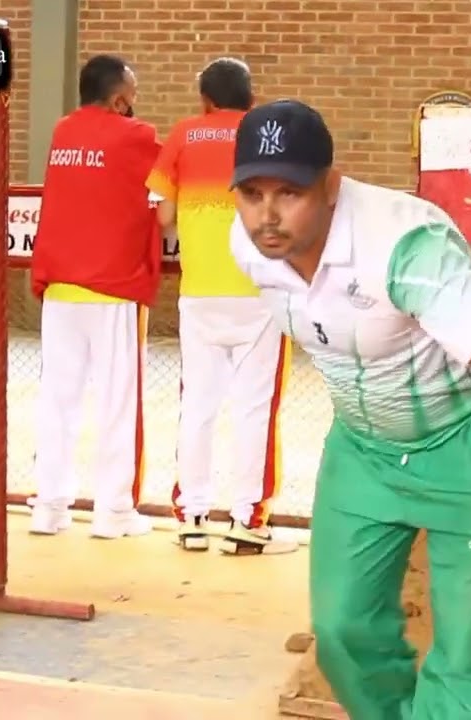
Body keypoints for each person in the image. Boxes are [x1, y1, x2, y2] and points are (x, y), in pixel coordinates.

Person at [227, 100, 471, 719]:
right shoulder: (250, 247)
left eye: (289, 193)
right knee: (344, 630)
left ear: (330, 185)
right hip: (363, 451)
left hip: (468, 451)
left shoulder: (405, 243)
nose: (267, 216)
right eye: (251, 193)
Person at [145, 58, 290, 554]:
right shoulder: (266, 134)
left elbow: (163, 216)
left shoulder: (184, 134)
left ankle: (193, 516)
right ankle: (248, 520)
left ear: (205, 99)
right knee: (255, 409)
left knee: (199, 407)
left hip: (200, 293)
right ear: (250, 97)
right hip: (261, 296)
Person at [29, 54, 162, 539]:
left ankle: (49, 506)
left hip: (61, 287)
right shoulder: (137, 136)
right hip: (111, 287)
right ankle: (113, 511)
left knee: (57, 400)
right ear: (120, 98)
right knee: (116, 402)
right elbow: (169, 175)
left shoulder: (62, 133)